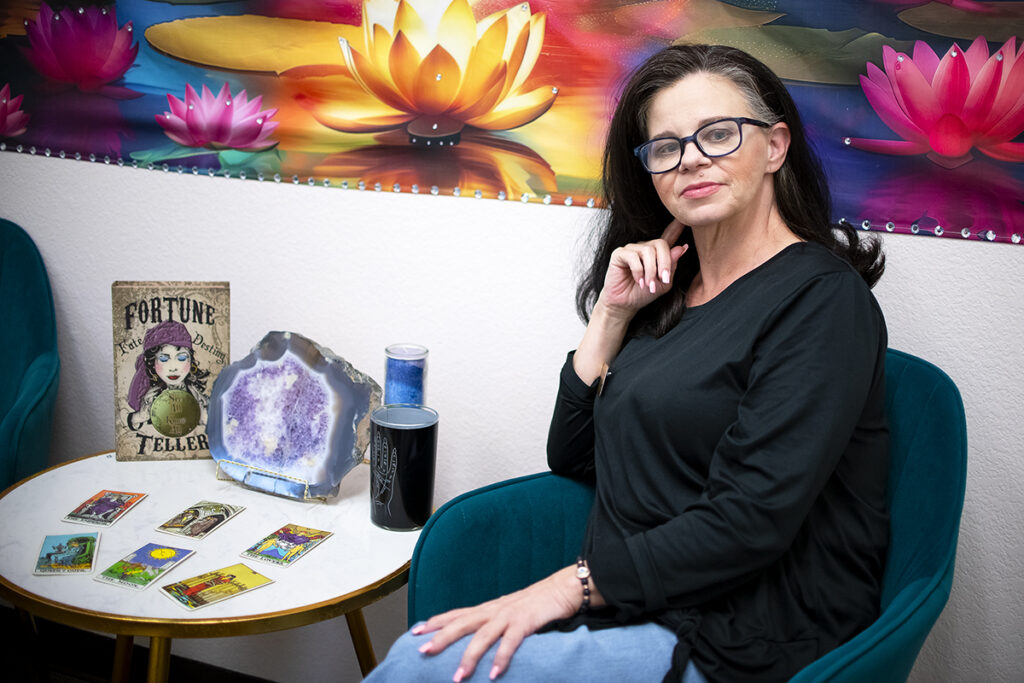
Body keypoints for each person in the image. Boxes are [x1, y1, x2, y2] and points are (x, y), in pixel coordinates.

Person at [367, 43, 888, 683]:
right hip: (635, 604)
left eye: (718, 134)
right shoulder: (670, 296)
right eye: (666, 146)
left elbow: (750, 519)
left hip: (738, 631)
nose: (690, 158)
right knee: (418, 654)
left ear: (775, 146)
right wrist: (612, 317)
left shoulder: (823, 300)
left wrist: (566, 588)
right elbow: (573, 455)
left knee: (418, 665)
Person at [126, 320, 210, 431]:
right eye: (164, 359)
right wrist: (139, 417)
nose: (173, 368)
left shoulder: (199, 397)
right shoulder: (149, 397)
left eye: (181, 358)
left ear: (191, 361)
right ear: (152, 363)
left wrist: (206, 419)